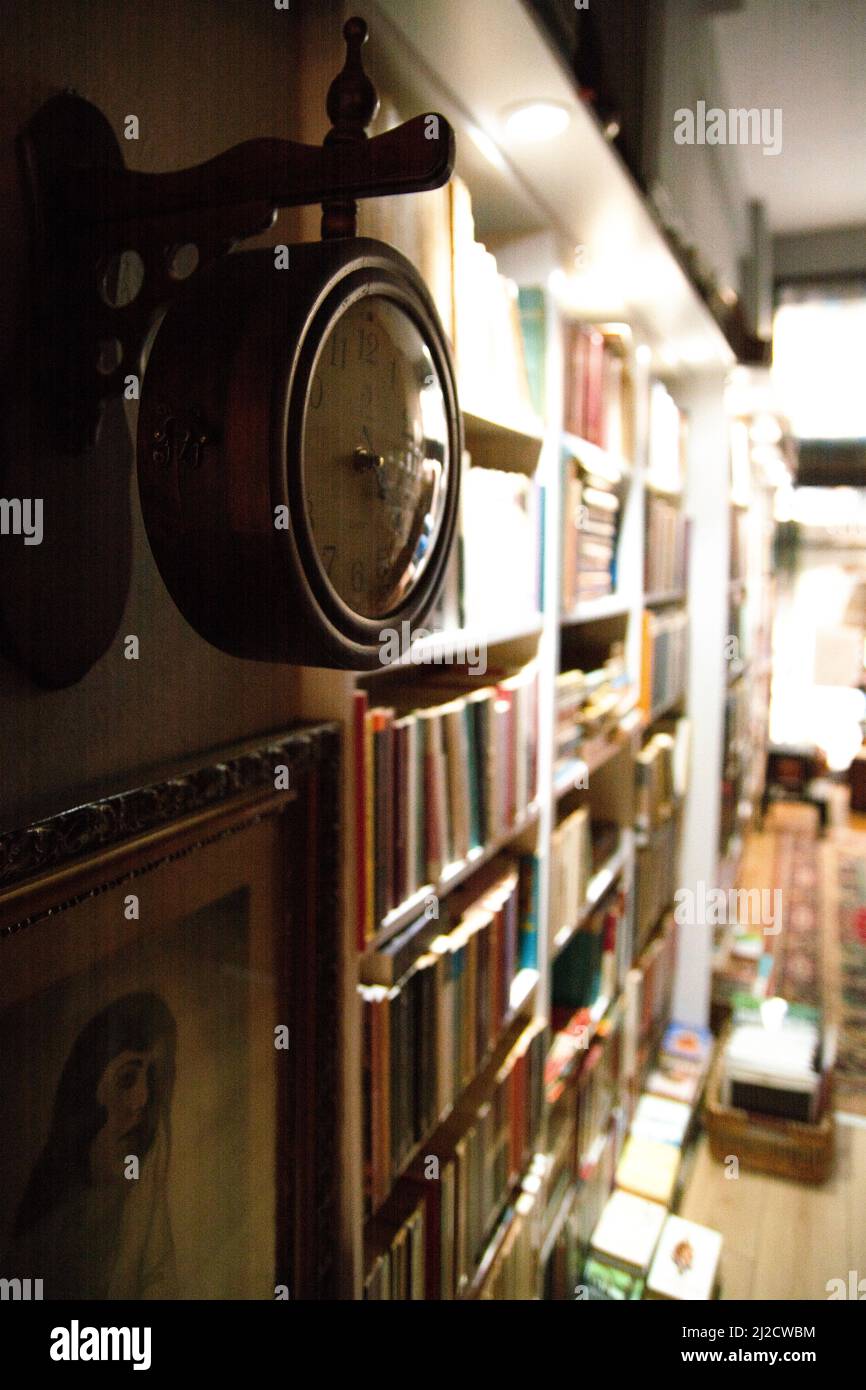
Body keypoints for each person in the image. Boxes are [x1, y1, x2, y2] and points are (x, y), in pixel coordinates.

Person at [8, 991, 178, 1299]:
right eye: (126, 1079)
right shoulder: (46, 1209)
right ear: (89, 1092)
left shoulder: (148, 1161)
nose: (142, 1099)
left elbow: (160, 1277)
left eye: (152, 1077)